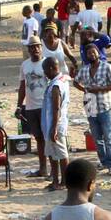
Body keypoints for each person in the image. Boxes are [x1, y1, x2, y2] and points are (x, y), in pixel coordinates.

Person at [73, 41, 111, 174]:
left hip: (106, 106)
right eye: (89, 53)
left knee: (108, 137)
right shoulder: (84, 70)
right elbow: (75, 82)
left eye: (93, 52)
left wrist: (100, 89)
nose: (91, 55)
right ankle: (104, 161)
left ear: (98, 53)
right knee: (97, 138)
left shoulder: (107, 67)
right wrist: (84, 90)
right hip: (90, 107)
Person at [16, 37, 49, 177]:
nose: (35, 49)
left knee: (49, 138)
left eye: (37, 46)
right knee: (38, 138)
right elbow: (22, 86)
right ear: (28, 49)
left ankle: (54, 170)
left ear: (41, 47)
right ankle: (43, 168)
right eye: (32, 47)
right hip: (30, 107)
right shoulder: (25, 65)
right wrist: (19, 106)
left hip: (45, 106)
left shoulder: (47, 63)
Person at [41, 56, 71, 191]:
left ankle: (64, 182)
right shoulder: (61, 79)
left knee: (61, 153)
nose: (44, 73)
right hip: (50, 123)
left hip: (55, 124)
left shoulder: (56, 85)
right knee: (52, 153)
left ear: (52, 68)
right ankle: (55, 180)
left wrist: (53, 128)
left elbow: (56, 108)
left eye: (45, 70)